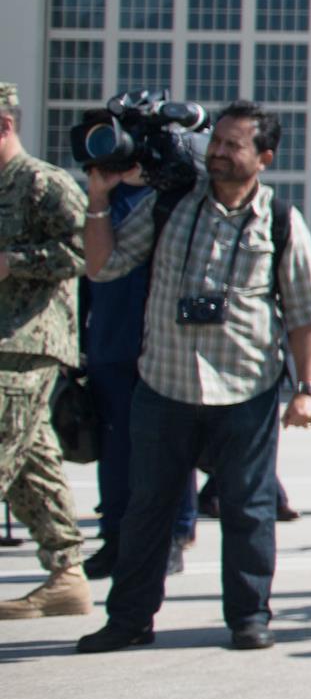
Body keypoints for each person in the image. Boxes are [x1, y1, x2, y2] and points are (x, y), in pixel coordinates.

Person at [76, 103, 311, 652]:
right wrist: (99, 202)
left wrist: (307, 391)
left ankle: (247, 616)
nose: (217, 152)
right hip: (164, 386)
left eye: (233, 145)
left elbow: (307, 314)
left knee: (249, 510)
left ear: (264, 158)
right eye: (216, 142)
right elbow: (104, 267)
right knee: (146, 511)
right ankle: (128, 620)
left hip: (246, 391)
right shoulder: (168, 208)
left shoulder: (282, 221)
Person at [79, 166, 200, 584]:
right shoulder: (102, 203)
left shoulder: (173, 198)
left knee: (169, 447)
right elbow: (85, 277)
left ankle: (175, 534)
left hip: (161, 345)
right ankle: (114, 535)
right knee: (113, 448)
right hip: (109, 343)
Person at [0, 82, 93, 620]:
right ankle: (66, 576)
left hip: (26, 345)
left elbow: (82, 250)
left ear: (5, 125)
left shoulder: (42, 183)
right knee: (33, 463)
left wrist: (15, 261)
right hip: (6, 346)